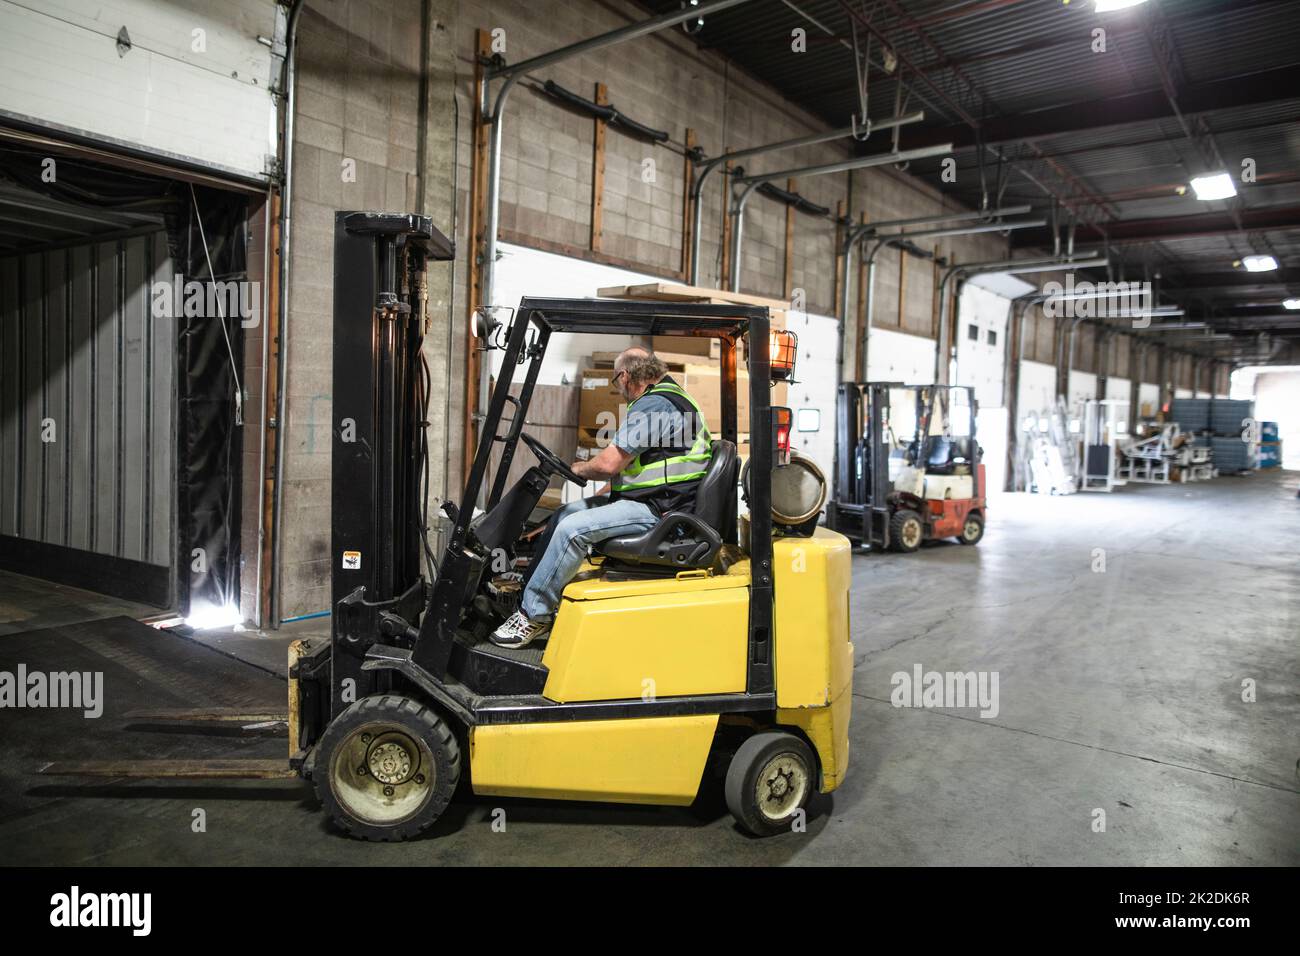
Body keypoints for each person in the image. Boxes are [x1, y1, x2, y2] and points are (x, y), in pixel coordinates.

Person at [491, 346, 713, 648]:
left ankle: (533, 617)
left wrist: (578, 468)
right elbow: (647, 465)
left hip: (660, 511)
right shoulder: (671, 399)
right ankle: (531, 584)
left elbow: (609, 464)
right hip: (658, 500)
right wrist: (601, 496)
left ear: (625, 376)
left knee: (572, 530)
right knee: (567, 513)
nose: (618, 388)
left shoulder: (654, 404)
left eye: (615, 381)